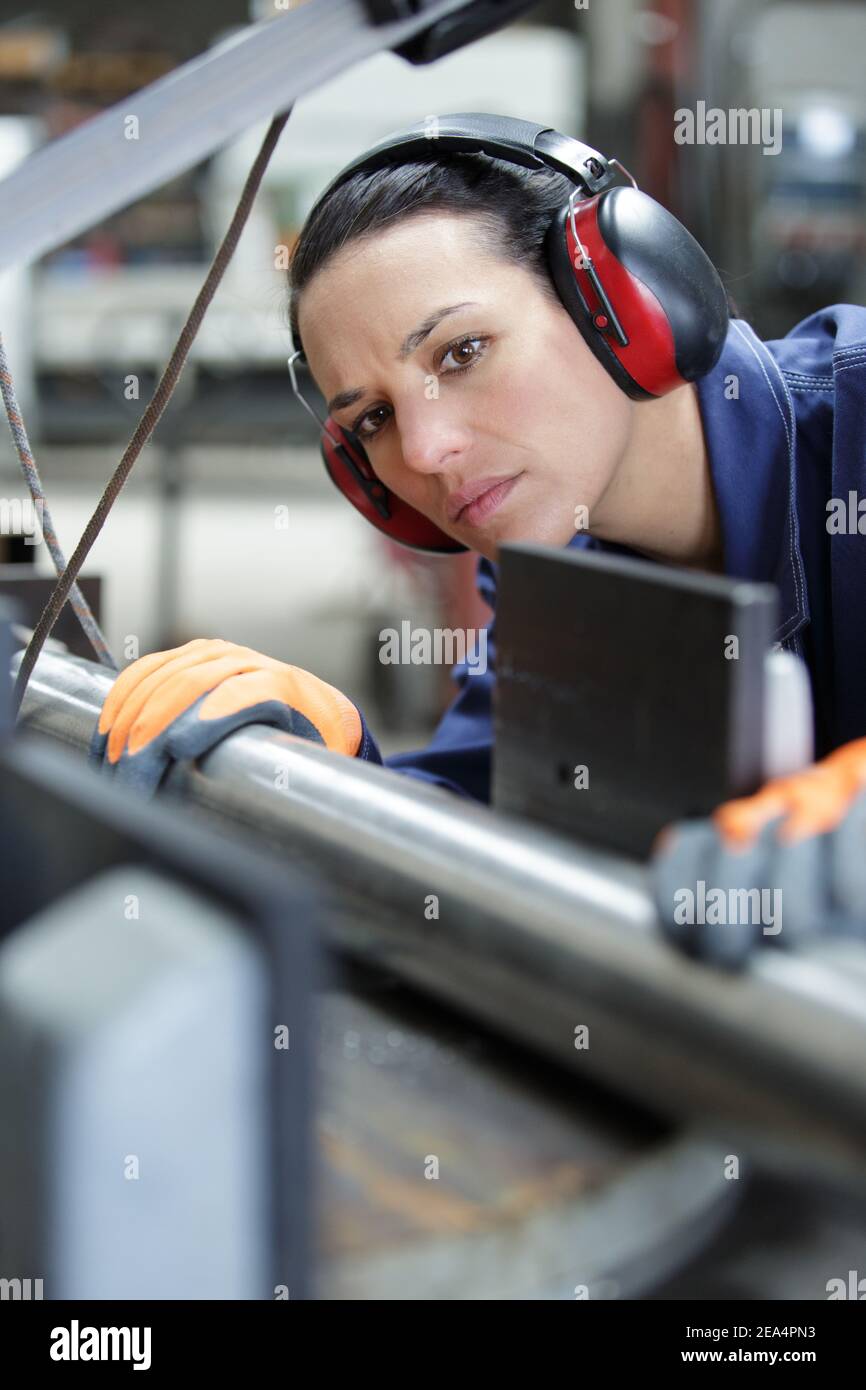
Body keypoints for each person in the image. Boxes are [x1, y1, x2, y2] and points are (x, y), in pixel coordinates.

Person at [92, 115, 866, 954]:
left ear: (625, 300)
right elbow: (472, 830)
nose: (425, 453)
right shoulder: (558, 572)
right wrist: (325, 765)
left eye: (461, 352)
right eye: (375, 418)